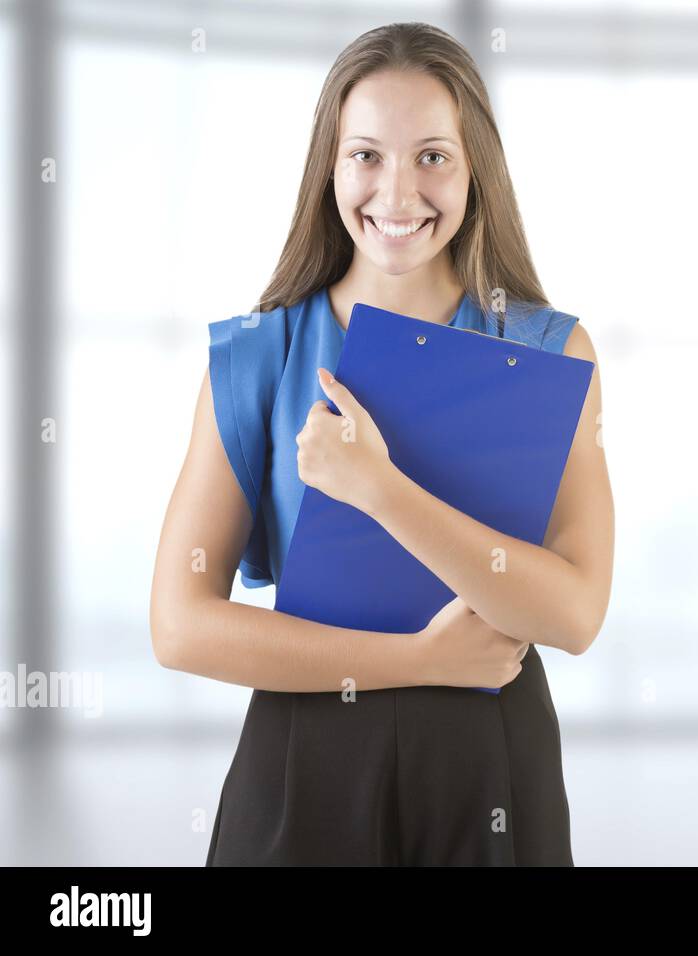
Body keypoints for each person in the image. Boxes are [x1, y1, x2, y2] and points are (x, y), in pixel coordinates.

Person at [148, 21, 614, 866]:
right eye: (367, 155)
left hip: (490, 768)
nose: (397, 194)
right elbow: (180, 625)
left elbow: (576, 614)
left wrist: (377, 488)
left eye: (432, 156)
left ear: (476, 170)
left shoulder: (550, 351)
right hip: (305, 755)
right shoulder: (259, 355)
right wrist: (418, 661)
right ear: (330, 168)